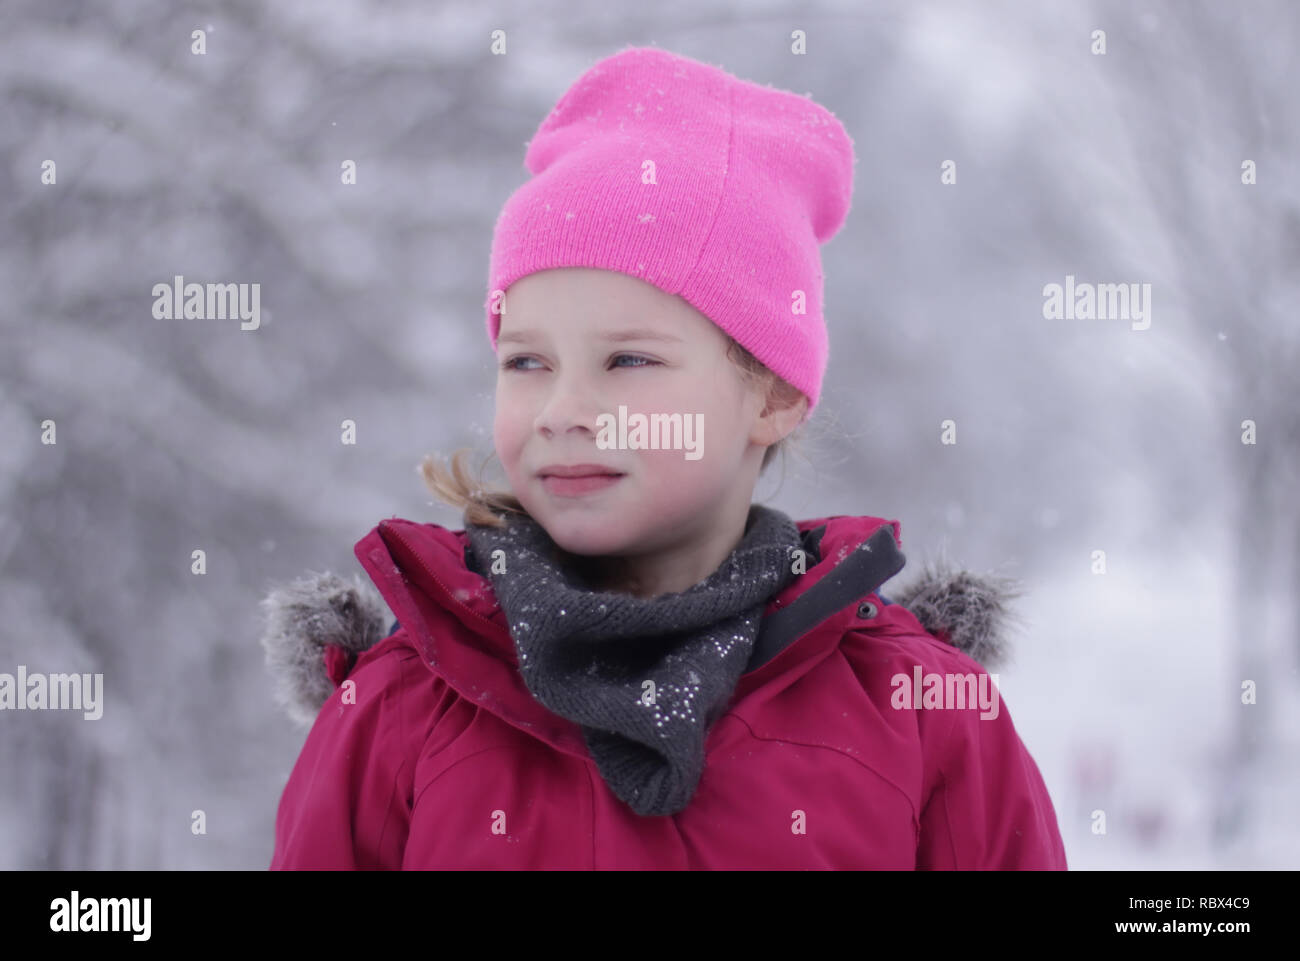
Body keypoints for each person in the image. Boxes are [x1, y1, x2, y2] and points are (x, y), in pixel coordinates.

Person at [260, 45, 1067, 870]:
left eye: (628, 361)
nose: (564, 412)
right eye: (527, 362)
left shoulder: (919, 713)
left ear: (773, 394)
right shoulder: (405, 704)